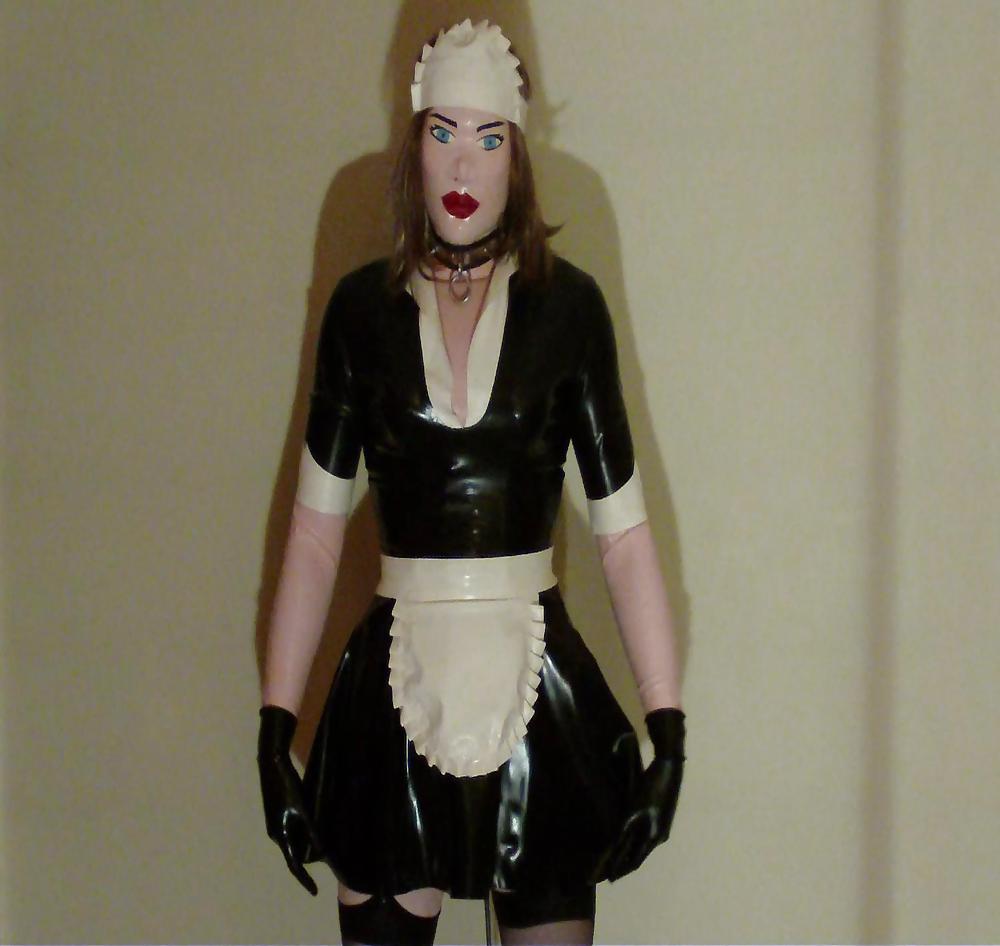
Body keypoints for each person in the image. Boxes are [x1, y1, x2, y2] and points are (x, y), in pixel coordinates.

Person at [257, 19, 685, 946]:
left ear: (518, 156)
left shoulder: (570, 309)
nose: (462, 164)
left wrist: (669, 726)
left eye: (489, 139)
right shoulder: (358, 312)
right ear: (414, 143)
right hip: (391, 691)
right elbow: (315, 535)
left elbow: (623, 534)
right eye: (443, 132)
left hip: (539, 689)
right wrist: (274, 725)